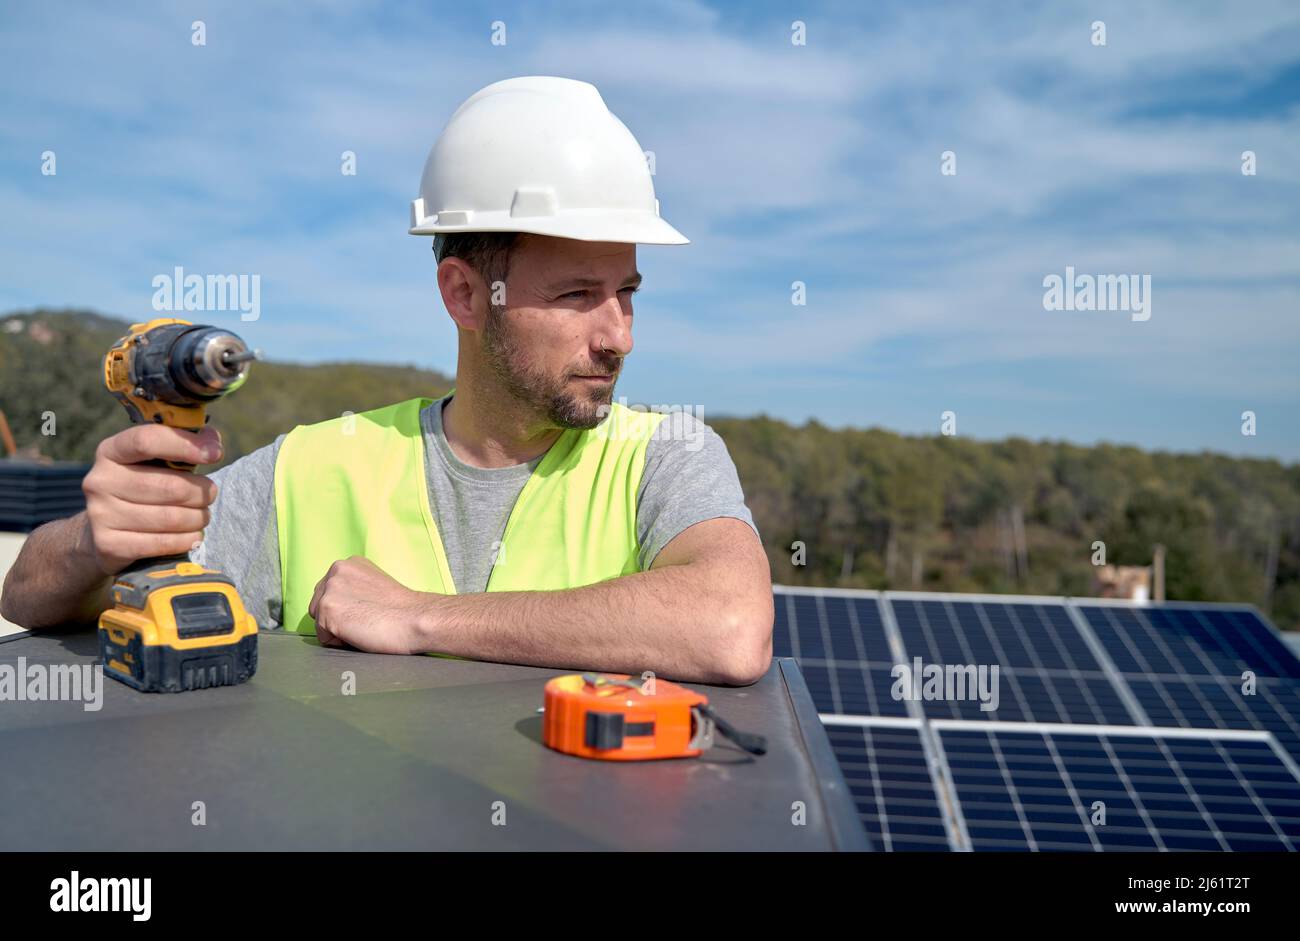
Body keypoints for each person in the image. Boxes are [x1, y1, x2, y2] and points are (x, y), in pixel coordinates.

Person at [0, 77, 773, 685]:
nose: (620, 336)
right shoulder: (313, 466)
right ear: (465, 295)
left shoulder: (665, 454)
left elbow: (732, 625)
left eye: (627, 292)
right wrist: (97, 541)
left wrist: (423, 619)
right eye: (576, 295)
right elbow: (26, 593)